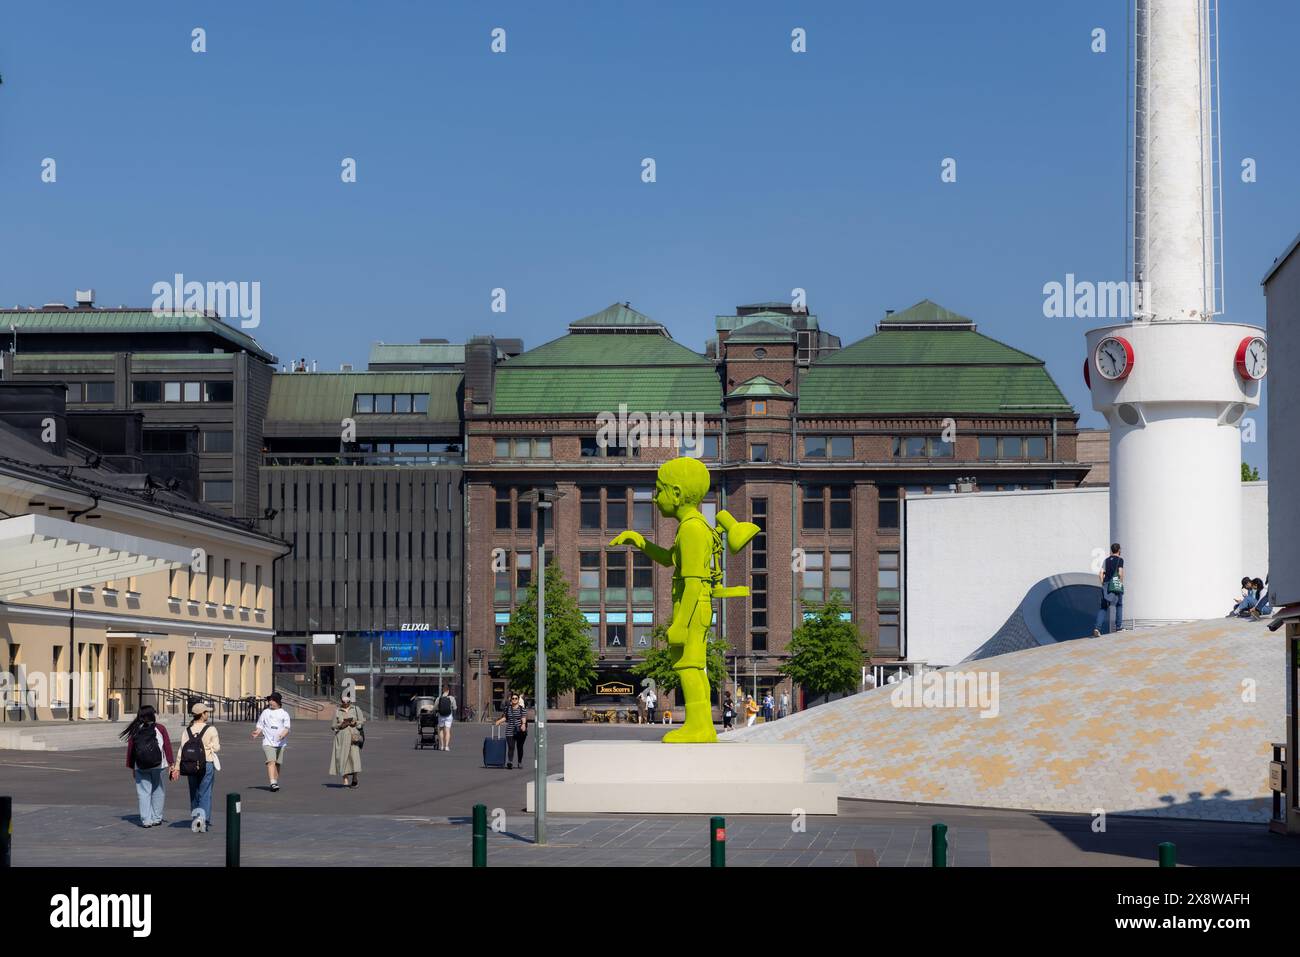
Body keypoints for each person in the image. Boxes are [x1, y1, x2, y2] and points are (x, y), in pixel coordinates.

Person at [121, 704, 176, 828]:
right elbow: (166, 746)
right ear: (152, 715)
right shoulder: (160, 728)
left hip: (140, 766)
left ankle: (146, 820)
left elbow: (131, 750)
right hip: (159, 765)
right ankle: (157, 818)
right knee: (158, 791)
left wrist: (132, 767)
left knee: (143, 793)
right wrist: (171, 763)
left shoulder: (135, 730)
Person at [176, 702, 220, 832]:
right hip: (206, 763)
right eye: (207, 712)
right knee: (205, 792)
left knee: (194, 792)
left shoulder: (187, 730)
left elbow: (182, 749)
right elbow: (217, 747)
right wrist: (209, 747)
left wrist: (177, 766)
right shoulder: (211, 729)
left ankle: (196, 818)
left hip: (190, 764)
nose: (208, 714)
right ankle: (203, 819)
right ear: (203, 714)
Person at [251, 691, 291, 792]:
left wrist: (283, 735)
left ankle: (275, 782)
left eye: (273, 700)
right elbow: (260, 724)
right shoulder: (266, 712)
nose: (270, 702)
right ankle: (272, 782)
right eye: (270, 700)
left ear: (278, 702)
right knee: (271, 761)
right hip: (268, 742)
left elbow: (287, 727)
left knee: (277, 763)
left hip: (280, 743)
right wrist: (257, 732)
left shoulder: (284, 714)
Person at [330, 693, 365, 788]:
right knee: (342, 758)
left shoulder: (356, 709)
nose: (345, 703)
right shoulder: (337, 711)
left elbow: (362, 721)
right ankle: (345, 777)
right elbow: (333, 726)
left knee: (354, 758)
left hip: (353, 738)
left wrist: (355, 723)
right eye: (343, 701)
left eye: (347, 701)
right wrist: (340, 725)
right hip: (341, 738)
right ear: (341, 700)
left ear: (350, 701)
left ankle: (355, 779)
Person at [1092, 543, 1124, 637]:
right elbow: (1120, 573)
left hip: (1106, 585)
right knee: (1119, 605)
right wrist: (1120, 583)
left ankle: (1097, 628)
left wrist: (1103, 583)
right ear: (1118, 550)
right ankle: (1118, 627)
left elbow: (1100, 573)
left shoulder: (1106, 560)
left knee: (1103, 607)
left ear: (1111, 550)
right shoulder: (1120, 560)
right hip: (1115, 585)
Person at [495, 692, 528, 770]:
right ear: (511, 699)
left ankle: (519, 762)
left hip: (520, 731)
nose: (514, 700)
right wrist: (499, 721)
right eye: (513, 698)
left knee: (520, 747)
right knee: (511, 747)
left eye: (516, 698)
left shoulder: (522, 709)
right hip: (510, 730)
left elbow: (523, 717)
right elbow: (506, 717)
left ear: (518, 699)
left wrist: (523, 724)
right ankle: (510, 762)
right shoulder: (508, 708)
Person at [435, 687, 456, 751]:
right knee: (447, 730)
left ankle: (442, 746)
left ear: (442, 691)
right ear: (448, 691)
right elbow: (455, 707)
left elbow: (435, 707)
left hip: (441, 716)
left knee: (441, 730)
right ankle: (446, 746)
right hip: (448, 716)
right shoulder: (452, 698)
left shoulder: (438, 698)